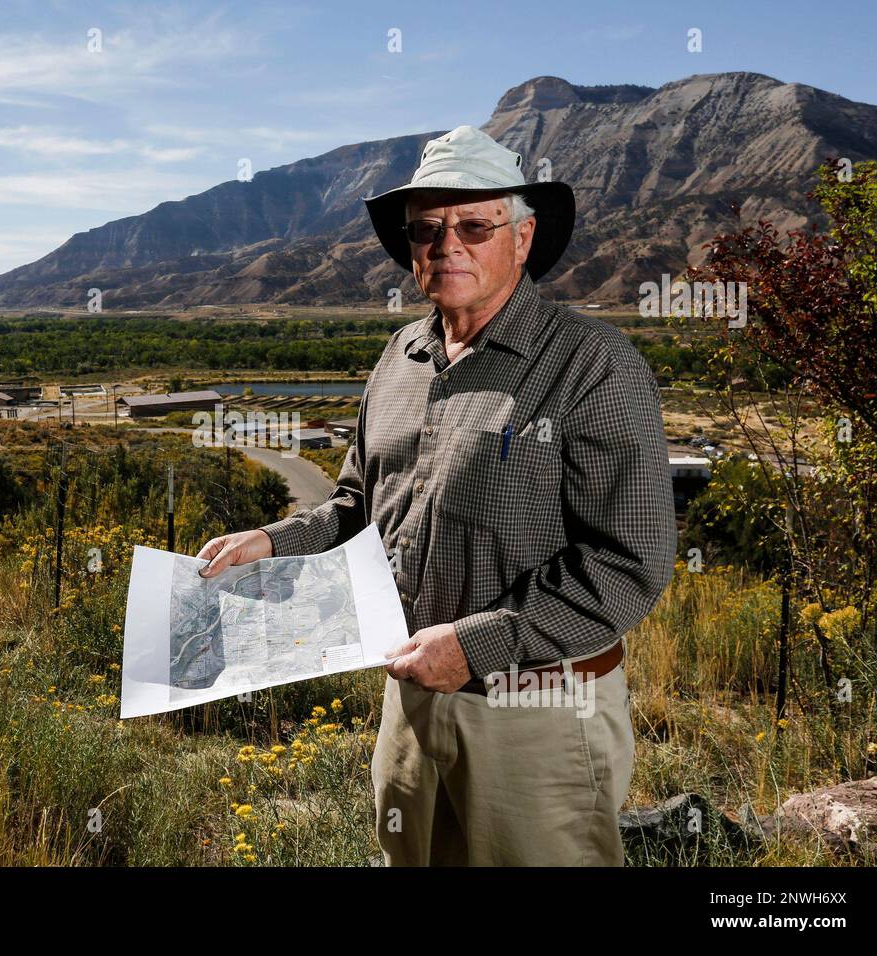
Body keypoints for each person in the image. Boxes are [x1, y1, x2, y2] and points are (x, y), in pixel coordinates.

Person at [196, 125, 675, 865]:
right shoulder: (402, 357)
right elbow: (358, 504)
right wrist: (273, 542)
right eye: (427, 229)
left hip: (537, 713)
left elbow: (628, 564)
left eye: (474, 225)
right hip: (412, 699)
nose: (447, 244)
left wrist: (475, 645)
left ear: (522, 238)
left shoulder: (594, 366)